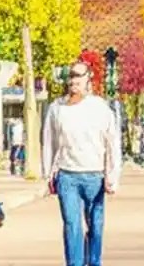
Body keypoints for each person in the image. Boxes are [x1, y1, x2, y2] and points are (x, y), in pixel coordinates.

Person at [42, 60, 121, 266]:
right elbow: (49, 142)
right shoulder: (56, 109)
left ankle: (94, 261)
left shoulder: (100, 108)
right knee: (71, 225)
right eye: (70, 76)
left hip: (95, 175)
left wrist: (112, 176)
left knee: (95, 225)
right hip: (67, 175)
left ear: (88, 78)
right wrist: (48, 173)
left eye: (78, 75)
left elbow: (112, 143)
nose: (74, 80)